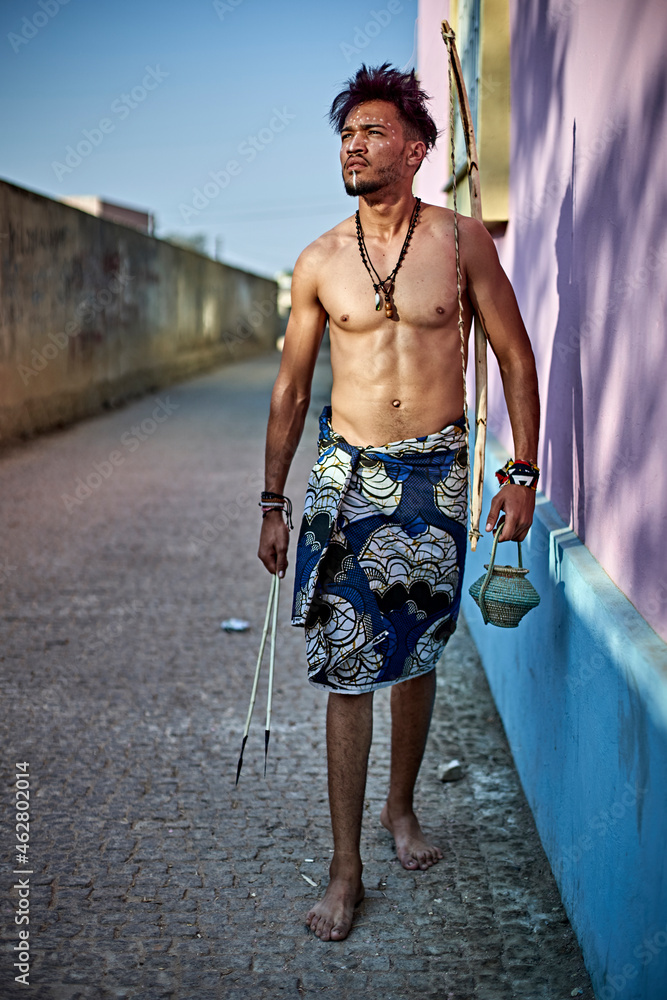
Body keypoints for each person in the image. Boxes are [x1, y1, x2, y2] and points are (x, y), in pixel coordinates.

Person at [257, 64, 540, 942]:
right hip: (346, 482)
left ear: (416, 150)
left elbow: (515, 357)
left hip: (436, 479)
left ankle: (401, 808)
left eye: (373, 132)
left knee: (414, 659)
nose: (354, 143)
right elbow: (290, 392)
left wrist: (521, 473)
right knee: (349, 671)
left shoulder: (460, 244)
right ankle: (345, 868)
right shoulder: (318, 260)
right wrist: (272, 500)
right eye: (347, 133)